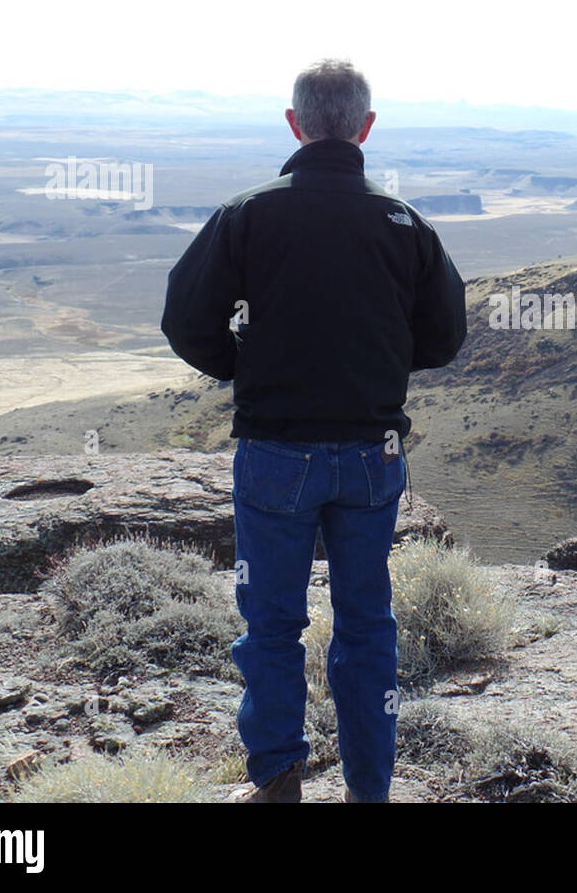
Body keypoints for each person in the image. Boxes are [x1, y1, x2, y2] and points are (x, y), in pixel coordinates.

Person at [160, 58, 467, 802]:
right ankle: (371, 789)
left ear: (295, 124)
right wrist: (378, 365)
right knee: (367, 625)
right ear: (365, 127)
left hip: (275, 451)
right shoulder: (403, 222)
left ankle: (278, 780)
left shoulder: (249, 213)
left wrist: (242, 364)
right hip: (372, 453)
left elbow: (184, 316)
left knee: (270, 624)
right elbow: (445, 334)